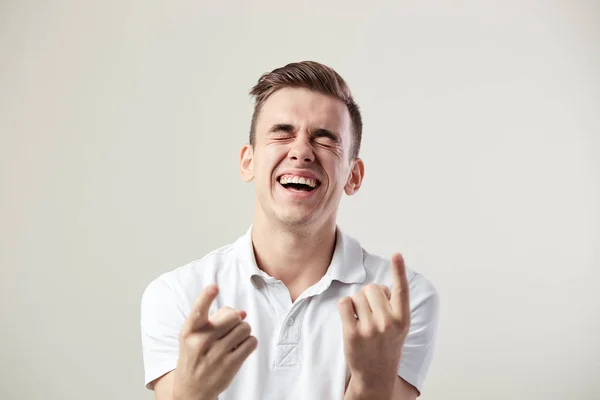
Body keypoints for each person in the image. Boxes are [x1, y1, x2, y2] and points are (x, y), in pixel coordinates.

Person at [140, 61, 440, 400]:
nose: (301, 151)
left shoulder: (402, 301)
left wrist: (373, 384)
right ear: (248, 161)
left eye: (324, 139)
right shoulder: (176, 295)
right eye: (282, 132)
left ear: (353, 176)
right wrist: (191, 394)